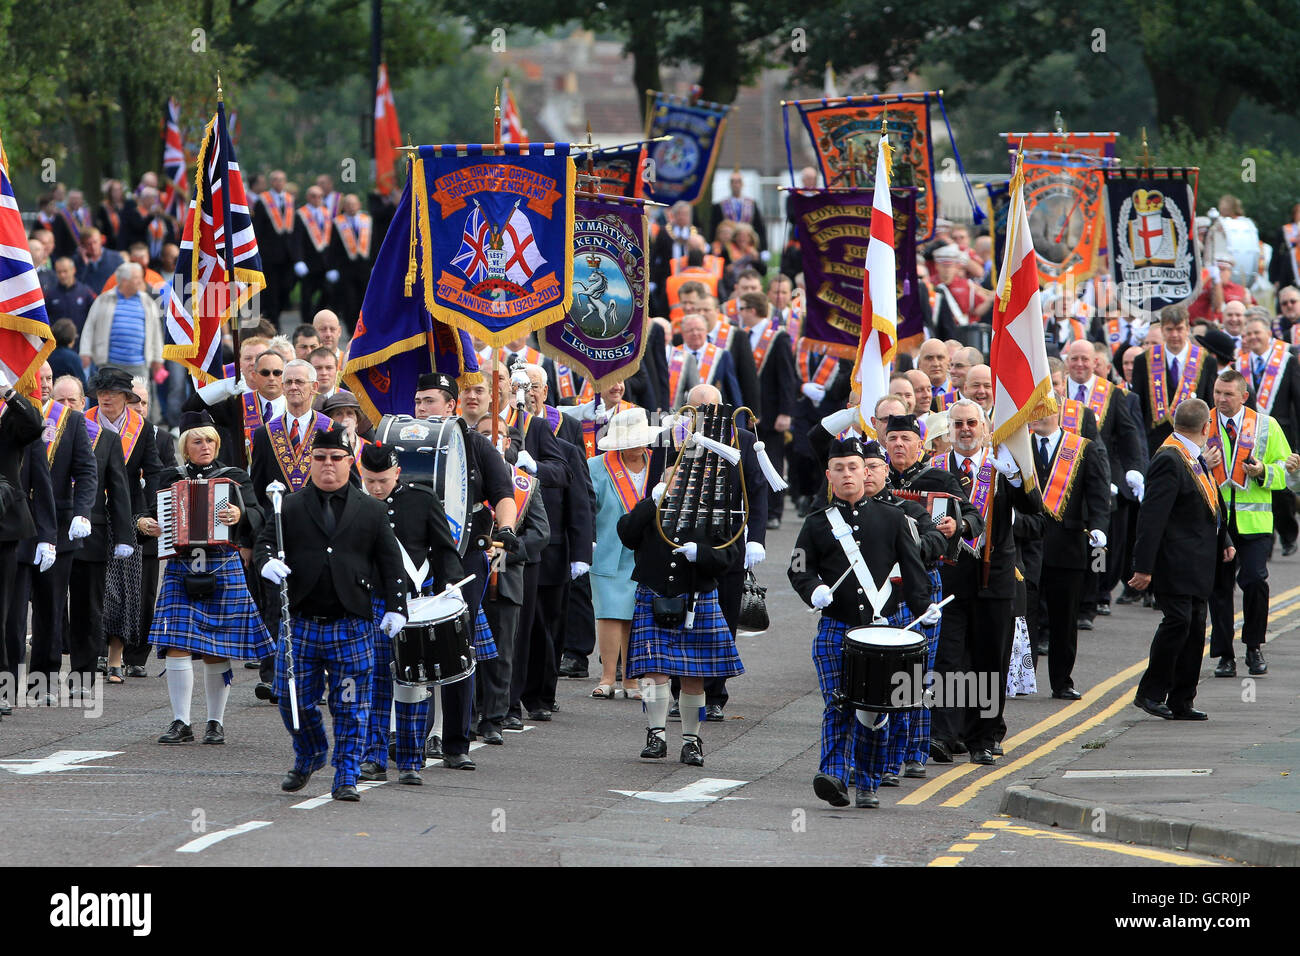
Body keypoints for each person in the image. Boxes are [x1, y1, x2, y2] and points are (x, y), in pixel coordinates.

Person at [255, 426, 407, 801]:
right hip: (301, 623)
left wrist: (396, 607)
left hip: (351, 624)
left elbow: (390, 563)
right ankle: (310, 752)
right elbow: (264, 544)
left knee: (351, 706)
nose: (327, 465)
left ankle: (347, 776)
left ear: (348, 461)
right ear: (310, 461)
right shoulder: (287, 506)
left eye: (336, 458)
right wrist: (266, 563)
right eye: (320, 458)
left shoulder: (370, 509)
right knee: (293, 701)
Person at [788, 437, 935, 808]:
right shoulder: (817, 524)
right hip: (836, 628)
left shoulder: (893, 519)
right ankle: (834, 775)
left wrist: (924, 609)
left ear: (866, 471)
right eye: (839, 469)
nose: (848, 474)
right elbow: (799, 568)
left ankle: (867, 781)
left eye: (854, 467)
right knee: (838, 701)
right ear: (829, 476)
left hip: (881, 630)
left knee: (873, 711)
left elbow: (914, 573)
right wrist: (813, 589)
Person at [136, 412, 273, 744]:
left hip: (221, 566)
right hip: (182, 567)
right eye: (198, 440)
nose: (205, 446)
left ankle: (215, 722)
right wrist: (144, 525)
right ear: (186, 445)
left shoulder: (234, 476)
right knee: (176, 646)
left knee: (217, 648)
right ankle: (181, 721)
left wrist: (240, 514)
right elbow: (145, 514)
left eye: (210, 440)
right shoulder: (171, 478)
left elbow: (258, 514)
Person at [410, 372, 518, 769]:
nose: (422, 409)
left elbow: (504, 495)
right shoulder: (404, 443)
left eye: (430, 401)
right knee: (409, 646)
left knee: (458, 647)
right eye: (418, 401)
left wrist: (505, 529)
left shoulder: (475, 445)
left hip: (464, 558)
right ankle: (407, 737)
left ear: (451, 405)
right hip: (413, 560)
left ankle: (455, 743)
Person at [619, 442, 744, 771]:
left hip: (697, 599)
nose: (679, 481)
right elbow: (627, 534)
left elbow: (730, 557)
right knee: (652, 672)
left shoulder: (714, 511)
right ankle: (655, 734)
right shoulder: (653, 505)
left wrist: (701, 554)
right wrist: (650, 501)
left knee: (694, 675)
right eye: (673, 475)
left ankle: (692, 740)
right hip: (654, 594)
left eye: (685, 476)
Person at [356, 443, 464, 785]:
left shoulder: (422, 499)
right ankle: (373, 758)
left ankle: (410, 760)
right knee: (374, 683)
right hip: (372, 601)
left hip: (415, 603)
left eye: (383, 481)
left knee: (413, 683)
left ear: (397, 473)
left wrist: (451, 586)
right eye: (370, 480)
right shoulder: (354, 506)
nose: (375, 488)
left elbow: (444, 548)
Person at [1130, 399, 1232, 720]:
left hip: (1199, 562)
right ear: (1206, 428)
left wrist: (1224, 539)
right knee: (1178, 623)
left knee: (1195, 627)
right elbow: (1152, 517)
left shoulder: (1191, 456)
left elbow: (1209, 502)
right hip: (1174, 561)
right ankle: (1150, 692)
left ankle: (1182, 699)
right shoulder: (1170, 459)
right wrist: (1143, 567)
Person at [6, 368, 97, 701]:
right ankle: (8, 682)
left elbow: (86, 471)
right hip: (16, 525)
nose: (43, 384)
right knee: (13, 613)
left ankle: (42, 681)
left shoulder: (71, 422)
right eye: (39, 379)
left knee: (50, 608)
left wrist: (82, 513)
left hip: (58, 526)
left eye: (48, 378)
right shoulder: (13, 416)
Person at [1206, 369, 1291, 678]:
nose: (1221, 399)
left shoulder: (1266, 426)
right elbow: (1184, 463)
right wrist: (1204, 463)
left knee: (1255, 581)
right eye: (1217, 392)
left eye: (1228, 394)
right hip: (1216, 521)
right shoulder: (1204, 421)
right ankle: (1224, 654)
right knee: (1219, 588)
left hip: (1254, 522)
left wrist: (1263, 472)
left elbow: (1288, 473)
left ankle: (1253, 646)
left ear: (1244, 396)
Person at [84, 366, 163, 684]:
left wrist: (150, 509)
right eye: (101, 392)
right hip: (88, 515)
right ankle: (93, 654)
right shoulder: (83, 422)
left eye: (112, 392)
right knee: (90, 589)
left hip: (125, 514)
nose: (105, 397)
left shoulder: (141, 427)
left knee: (122, 589)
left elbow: (154, 469)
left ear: (126, 397)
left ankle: (116, 658)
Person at [1027, 400, 1111, 699]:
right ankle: (1023, 679)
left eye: (1042, 409)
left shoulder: (1082, 448)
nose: (1036, 416)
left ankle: (1062, 682)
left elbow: (1098, 493)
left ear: (1057, 411)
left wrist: (1100, 526)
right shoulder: (1020, 446)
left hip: (1068, 546)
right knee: (1027, 617)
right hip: (1028, 547)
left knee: (1065, 620)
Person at [57, 375, 133, 699]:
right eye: (60, 401)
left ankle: (83, 676)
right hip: (53, 531)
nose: (66, 407)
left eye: (71, 401)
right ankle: (44, 671)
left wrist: (125, 536)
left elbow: (118, 490)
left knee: (89, 608)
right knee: (52, 607)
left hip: (94, 532)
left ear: (81, 403)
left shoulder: (105, 437)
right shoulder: (43, 434)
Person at [587, 408, 657, 700]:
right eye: (629, 441)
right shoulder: (596, 466)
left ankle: (631, 680)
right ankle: (607, 677)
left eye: (640, 440)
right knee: (609, 613)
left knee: (637, 615)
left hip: (648, 551)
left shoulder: (659, 465)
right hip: (608, 548)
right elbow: (587, 507)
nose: (635, 447)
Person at [0, 377, 53, 711]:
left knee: (2, 612)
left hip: (4, 522)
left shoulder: (9, 421)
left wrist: (8, 392)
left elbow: (35, 425)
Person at [1239, 315, 1300, 555]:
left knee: (1281, 487)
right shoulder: (1241, 363)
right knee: (1256, 483)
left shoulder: (1287, 361)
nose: (1253, 337)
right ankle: (1265, 537)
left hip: (1281, 432)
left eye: (1257, 333)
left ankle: (1287, 534)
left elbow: (1297, 400)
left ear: (1269, 336)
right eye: (1249, 334)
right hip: (1249, 433)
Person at [738, 291, 797, 527]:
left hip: (773, 412)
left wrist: (786, 411)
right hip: (749, 410)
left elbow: (787, 377)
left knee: (772, 461)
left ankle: (774, 511)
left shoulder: (777, 337)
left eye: (742, 309)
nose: (739, 314)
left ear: (752, 310)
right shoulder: (743, 336)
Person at [1130, 305, 1219, 455]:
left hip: (1193, 443)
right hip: (1153, 444)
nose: (1175, 335)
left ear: (1187, 328)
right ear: (1162, 330)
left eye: (1179, 329)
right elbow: (1138, 407)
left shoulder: (1206, 361)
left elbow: (1209, 404)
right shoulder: (1143, 360)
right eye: (1169, 329)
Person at [79, 263, 163, 384]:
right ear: (124, 280)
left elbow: (155, 332)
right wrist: (85, 352)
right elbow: (90, 327)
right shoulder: (104, 300)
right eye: (136, 278)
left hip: (139, 365)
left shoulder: (147, 302)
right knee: (110, 398)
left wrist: (157, 358)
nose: (141, 281)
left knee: (140, 400)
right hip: (109, 363)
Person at [252, 170, 297, 322]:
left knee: (286, 287)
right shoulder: (262, 200)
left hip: (288, 254)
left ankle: (275, 313)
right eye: (276, 180)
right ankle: (274, 321)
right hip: (269, 253)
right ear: (272, 182)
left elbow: (295, 228)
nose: (279, 182)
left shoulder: (290, 200)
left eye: (281, 180)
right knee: (272, 290)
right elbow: (257, 227)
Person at [328, 194, 373, 332]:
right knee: (349, 300)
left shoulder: (368, 220)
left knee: (365, 300)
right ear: (344, 206)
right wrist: (332, 268)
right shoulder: (338, 222)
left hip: (365, 268)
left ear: (359, 204)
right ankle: (351, 329)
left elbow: (376, 243)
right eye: (348, 204)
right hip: (345, 268)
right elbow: (333, 247)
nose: (352, 207)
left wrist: (376, 264)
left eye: (354, 204)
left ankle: (366, 328)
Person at [293, 186, 335, 318]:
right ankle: (306, 322)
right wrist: (298, 260)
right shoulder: (300, 214)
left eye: (320, 196)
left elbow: (333, 240)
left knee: (328, 292)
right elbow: (297, 239)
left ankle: (316, 316)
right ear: (308, 197)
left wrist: (334, 264)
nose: (317, 199)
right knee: (307, 295)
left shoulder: (327, 214)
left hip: (325, 263)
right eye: (313, 196)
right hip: (308, 262)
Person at [46, 258, 96, 338]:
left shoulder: (85, 292)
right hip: (57, 345)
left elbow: (95, 314)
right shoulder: (50, 294)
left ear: (73, 270)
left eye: (65, 271)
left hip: (80, 343)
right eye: (59, 272)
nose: (62, 275)